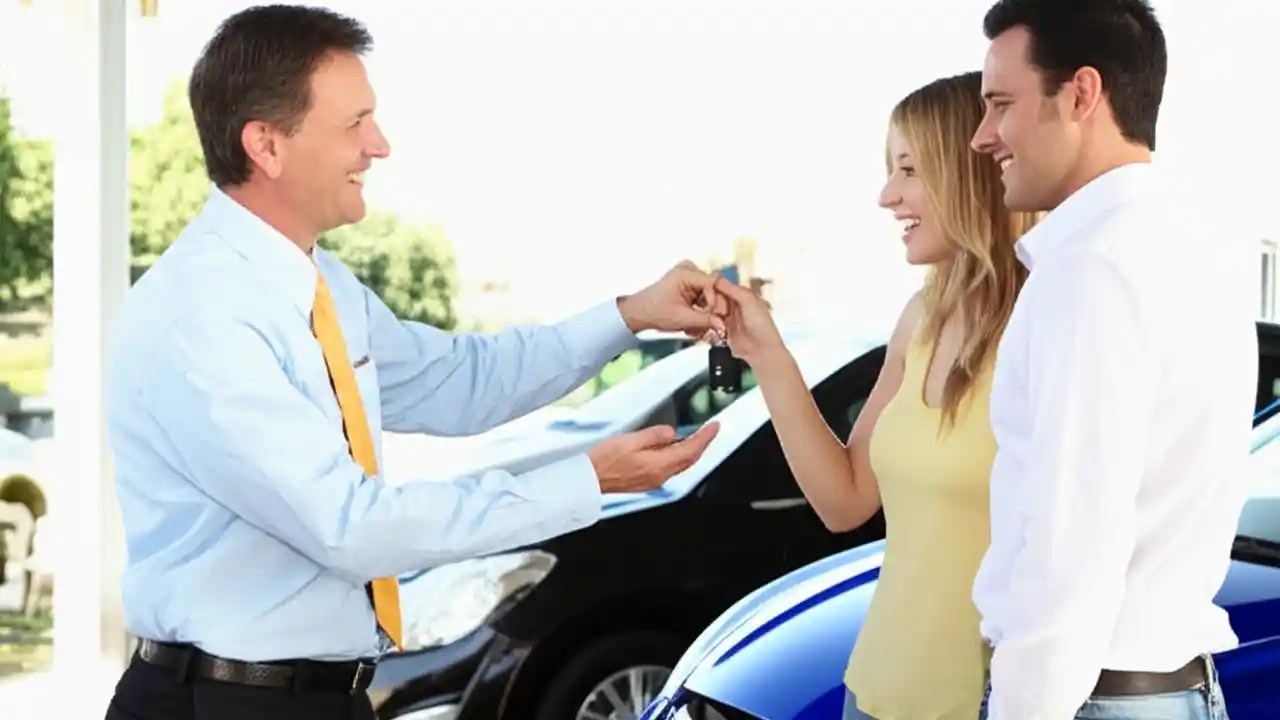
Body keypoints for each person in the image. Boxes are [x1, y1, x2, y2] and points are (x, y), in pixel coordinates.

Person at [102, 6, 725, 720]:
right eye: (354, 124)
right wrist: (586, 481)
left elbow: (461, 382)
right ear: (265, 145)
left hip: (313, 696)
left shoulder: (321, 286)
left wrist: (630, 315)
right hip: (222, 702)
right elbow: (351, 526)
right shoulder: (204, 315)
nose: (380, 145)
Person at [713, 70, 1037, 720]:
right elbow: (845, 499)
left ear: (966, 168)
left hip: (982, 704)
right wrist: (768, 355)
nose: (888, 195)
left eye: (909, 168)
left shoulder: (1049, 320)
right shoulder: (922, 318)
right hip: (874, 688)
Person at [968, 1, 1257, 718]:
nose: (983, 136)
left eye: (1001, 104)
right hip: (1164, 691)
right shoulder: (1196, 245)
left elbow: (1071, 550)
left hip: (1094, 699)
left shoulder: (1090, 268)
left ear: (1082, 94)